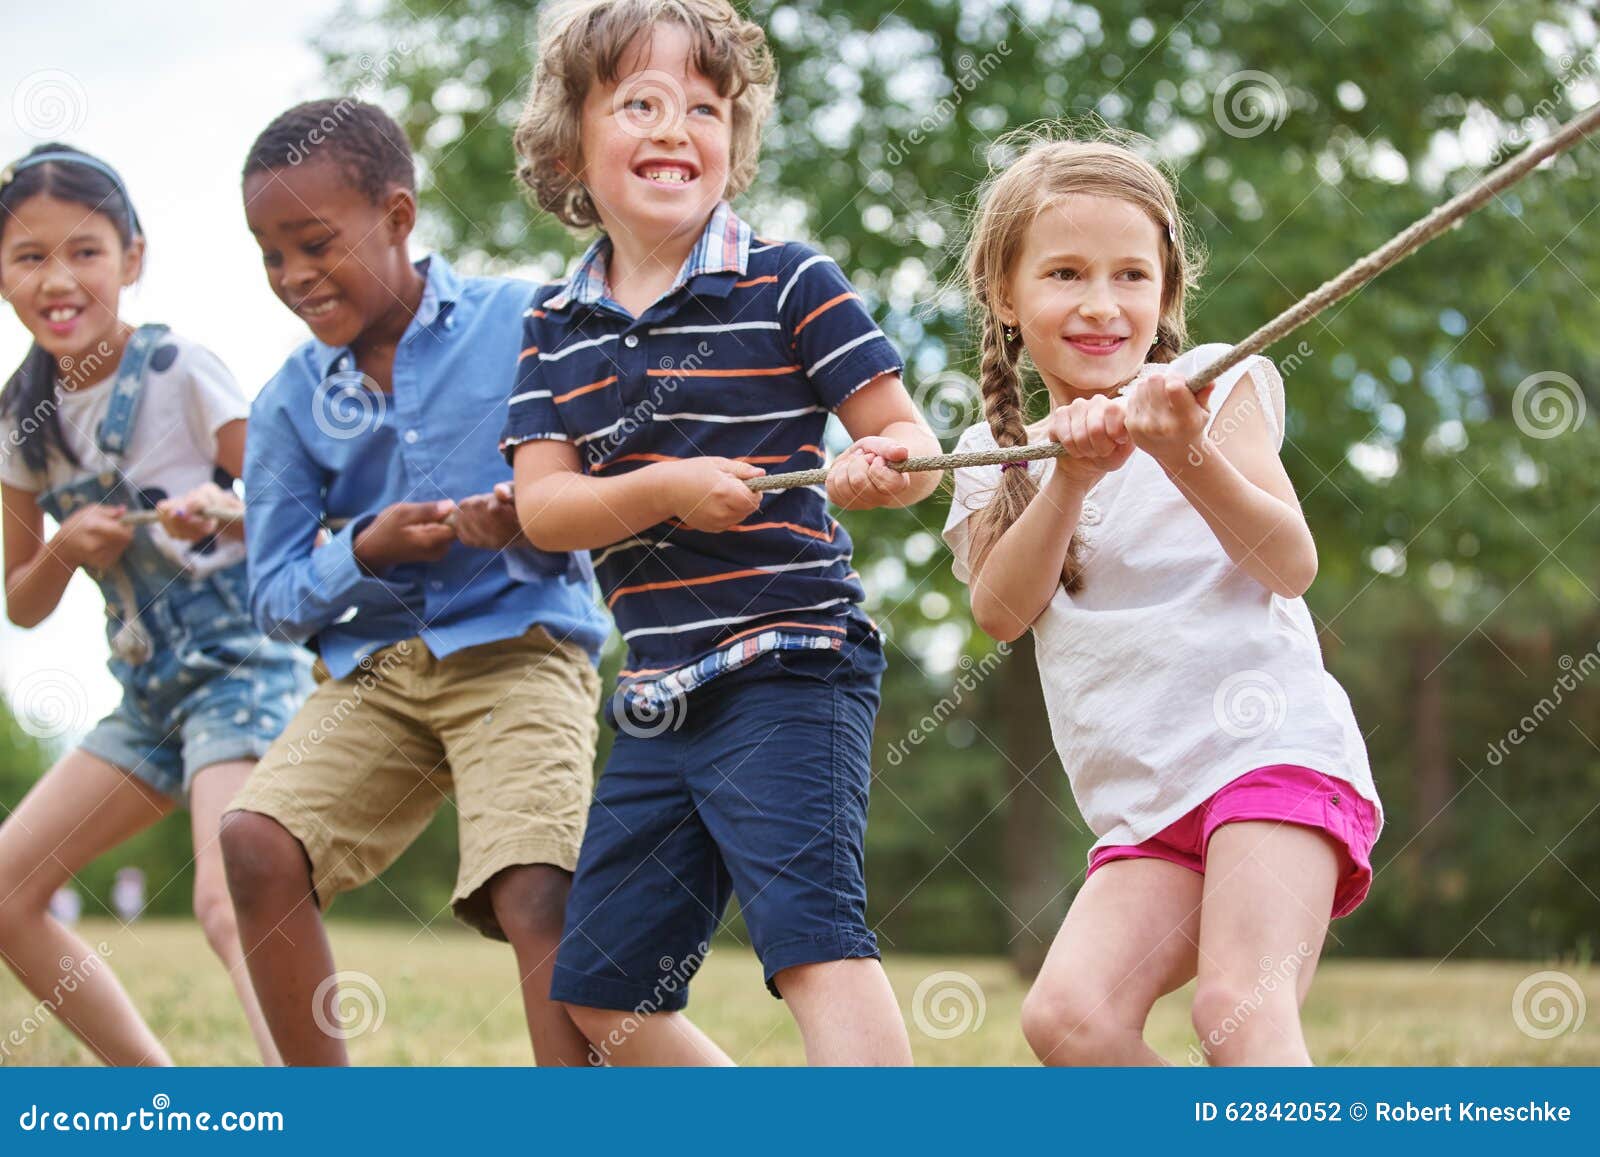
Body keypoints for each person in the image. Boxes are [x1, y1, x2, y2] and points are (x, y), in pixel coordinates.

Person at [505, 0, 942, 1066]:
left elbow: (911, 448)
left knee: (812, 943)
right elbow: (544, 508)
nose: (674, 128)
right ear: (572, 146)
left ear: (734, 147)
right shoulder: (551, 327)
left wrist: (877, 467)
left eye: (703, 107)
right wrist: (665, 489)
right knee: (604, 993)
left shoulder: (789, 279)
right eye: (639, 103)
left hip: (789, 659)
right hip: (657, 693)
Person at [942, 133, 1383, 1066]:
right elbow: (1000, 612)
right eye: (1064, 273)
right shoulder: (990, 462)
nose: (1102, 304)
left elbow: (1289, 563)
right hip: (1146, 808)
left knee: (1237, 1005)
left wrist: (1183, 452)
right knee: (1067, 1019)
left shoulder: (1215, 387)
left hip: (1270, 756)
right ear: (1005, 297)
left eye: (1131, 275)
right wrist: (1066, 477)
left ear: (1166, 294)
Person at [220, 100, 610, 1066]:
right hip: (378, 672)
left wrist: (531, 511)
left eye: (315, 243)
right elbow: (271, 595)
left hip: (522, 645)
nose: (295, 276)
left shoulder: (528, 321)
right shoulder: (287, 403)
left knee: (537, 887)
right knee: (255, 841)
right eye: (271, 256)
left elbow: (605, 488)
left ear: (398, 217)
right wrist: (367, 547)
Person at [0, 143, 307, 1065]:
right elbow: (20, 604)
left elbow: (299, 516)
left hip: (240, 668)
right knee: (8, 891)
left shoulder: (180, 367)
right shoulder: (23, 427)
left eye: (85, 251)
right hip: (147, 694)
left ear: (132, 258)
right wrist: (62, 548)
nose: (59, 278)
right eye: (28, 256)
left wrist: (223, 509)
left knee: (230, 895)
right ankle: (161, 1102)